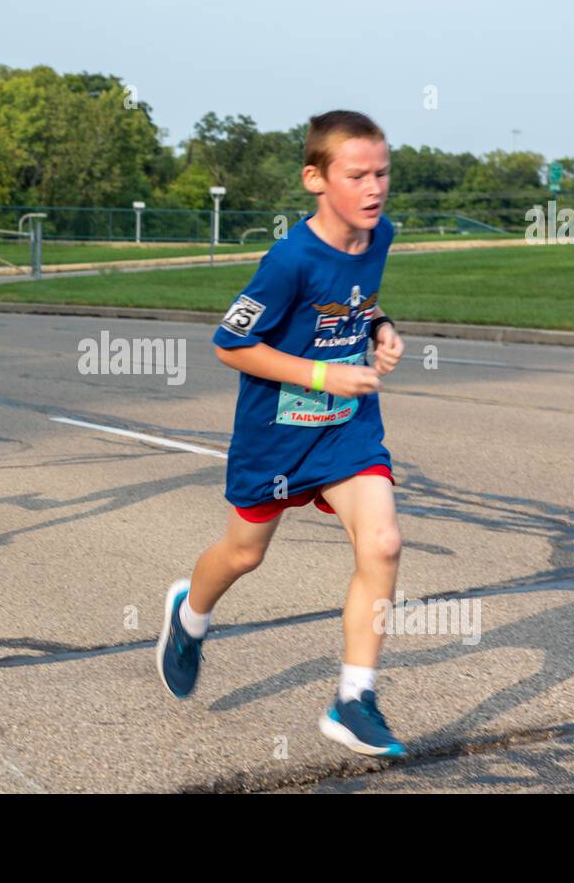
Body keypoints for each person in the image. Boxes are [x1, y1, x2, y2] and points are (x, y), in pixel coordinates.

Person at [155, 111, 409, 757]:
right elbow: (230, 343)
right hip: (276, 435)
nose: (374, 187)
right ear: (315, 179)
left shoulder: (379, 237)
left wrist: (378, 326)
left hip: (347, 431)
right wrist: (323, 371)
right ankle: (189, 616)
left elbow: (355, 299)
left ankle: (355, 698)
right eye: (357, 175)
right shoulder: (288, 258)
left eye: (382, 172)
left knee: (382, 543)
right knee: (244, 553)